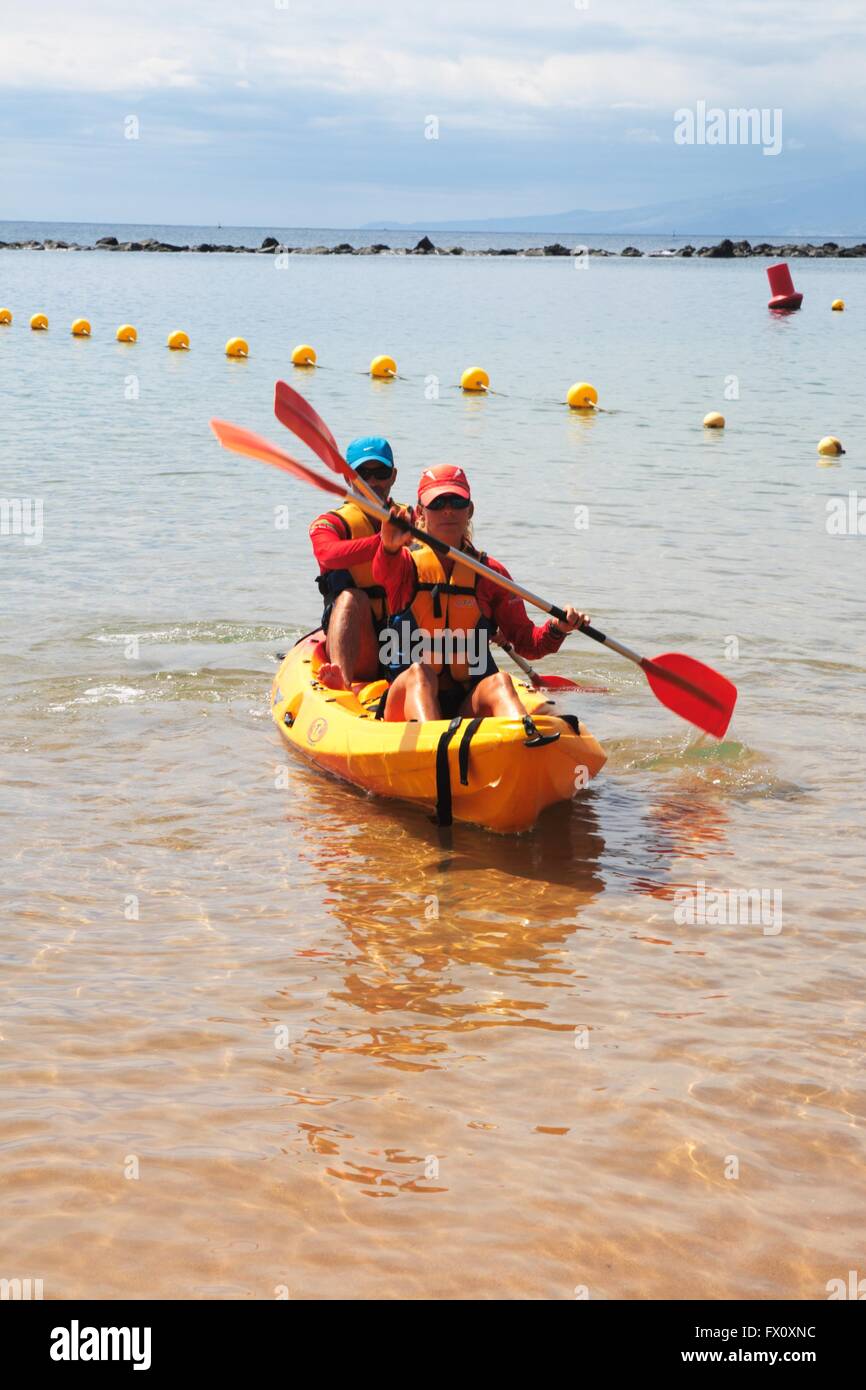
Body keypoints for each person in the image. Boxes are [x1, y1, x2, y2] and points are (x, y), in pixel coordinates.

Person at [372, 464, 590, 739]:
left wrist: (558, 628)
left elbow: (527, 643)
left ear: (470, 510)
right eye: (437, 503)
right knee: (421, 673)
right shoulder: (404, 565)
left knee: (499, 680)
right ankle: (433, 749)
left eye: (456, 501)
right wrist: (389, 546)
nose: (448, 510)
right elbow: (382, 570)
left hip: (467, 703)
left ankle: (527, 745)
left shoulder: (490, 574)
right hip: (404, 700)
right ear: (420, 513)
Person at [308, 436, 398, 688]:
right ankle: (343, 682)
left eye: (381, 472)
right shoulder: (331, 523)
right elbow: (327, 553)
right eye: (362, 474)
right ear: (348, 478)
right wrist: (384, 542)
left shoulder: (412, 519)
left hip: (406, 639)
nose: (372, 482)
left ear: (393, 476)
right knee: (351, 597)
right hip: (363, 645)